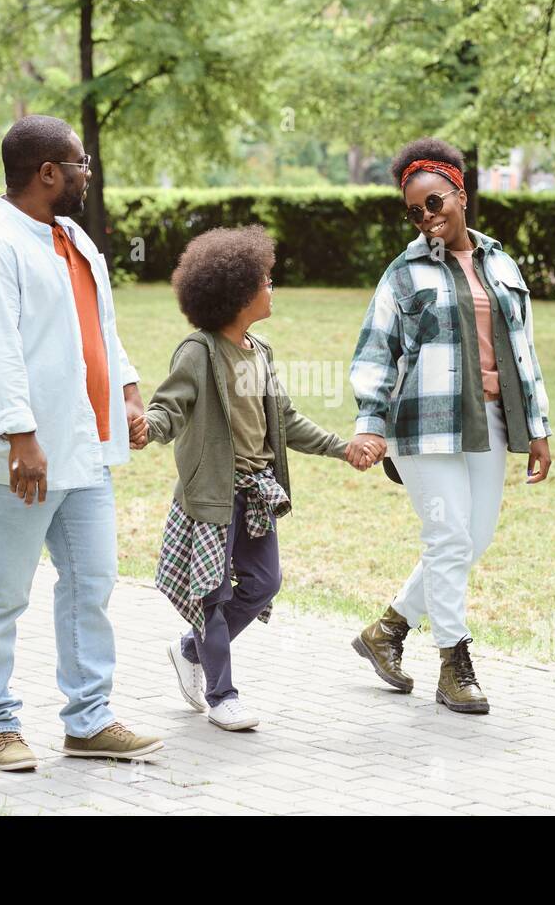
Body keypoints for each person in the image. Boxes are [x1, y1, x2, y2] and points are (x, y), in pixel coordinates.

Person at [0, 114, 163, 770]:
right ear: (48, 173)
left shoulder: (72, 239)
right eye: (80, 163)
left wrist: (126, 389)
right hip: (24, 458)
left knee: (91, 585)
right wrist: (20, 435)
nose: (87, 174)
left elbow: (100, 327)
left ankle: (89, 720)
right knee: (1, 593)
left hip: (85, 450)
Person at [132, 226, 380, 731]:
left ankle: (190, 650)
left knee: (264, 584)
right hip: (212, 498)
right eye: (267, 281)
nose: (273, 288)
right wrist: (146, 429)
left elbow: (283, 421)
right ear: (240, 293)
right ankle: (223, 696)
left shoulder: (258, 351)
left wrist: (342, 447)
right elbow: (169, 408)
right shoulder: (198, 353)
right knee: (213, 595)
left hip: (256, 493)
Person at [349, 137, 553, 715]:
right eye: (414, 212)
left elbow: (525, 352)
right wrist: (371, 425)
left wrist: (537, 428)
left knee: (474, 538)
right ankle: (454, 664)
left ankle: (387, 630)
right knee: (448, 538)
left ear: (460, 195)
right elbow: (374, 355)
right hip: (422, 423)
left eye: (435, 204)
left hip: (489, 417)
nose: (426, 219)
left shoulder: (502, 263)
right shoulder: (404, 273)